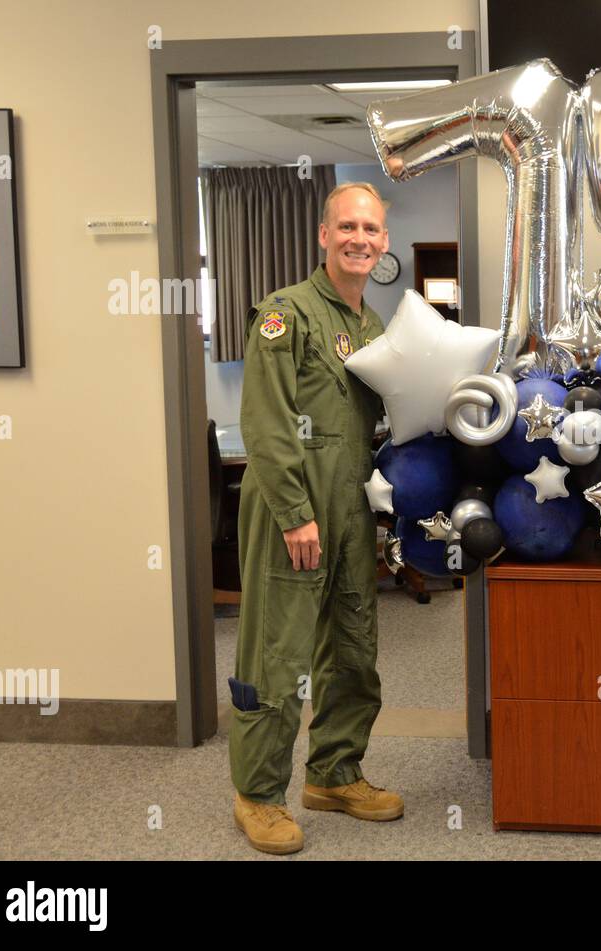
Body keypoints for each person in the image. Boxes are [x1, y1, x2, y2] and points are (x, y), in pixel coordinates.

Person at [229, 181, 400, 855]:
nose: (360, 238)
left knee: (354, 648)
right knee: (280, 654)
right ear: (324, 236)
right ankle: (257, 793)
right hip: (289, 508)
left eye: (372, 229)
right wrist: (297, 513)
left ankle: (335, 772)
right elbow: (266, 425)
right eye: (348, 227)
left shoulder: (372, 325)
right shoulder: (284, 313)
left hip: (352, 505)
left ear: (384, 242)